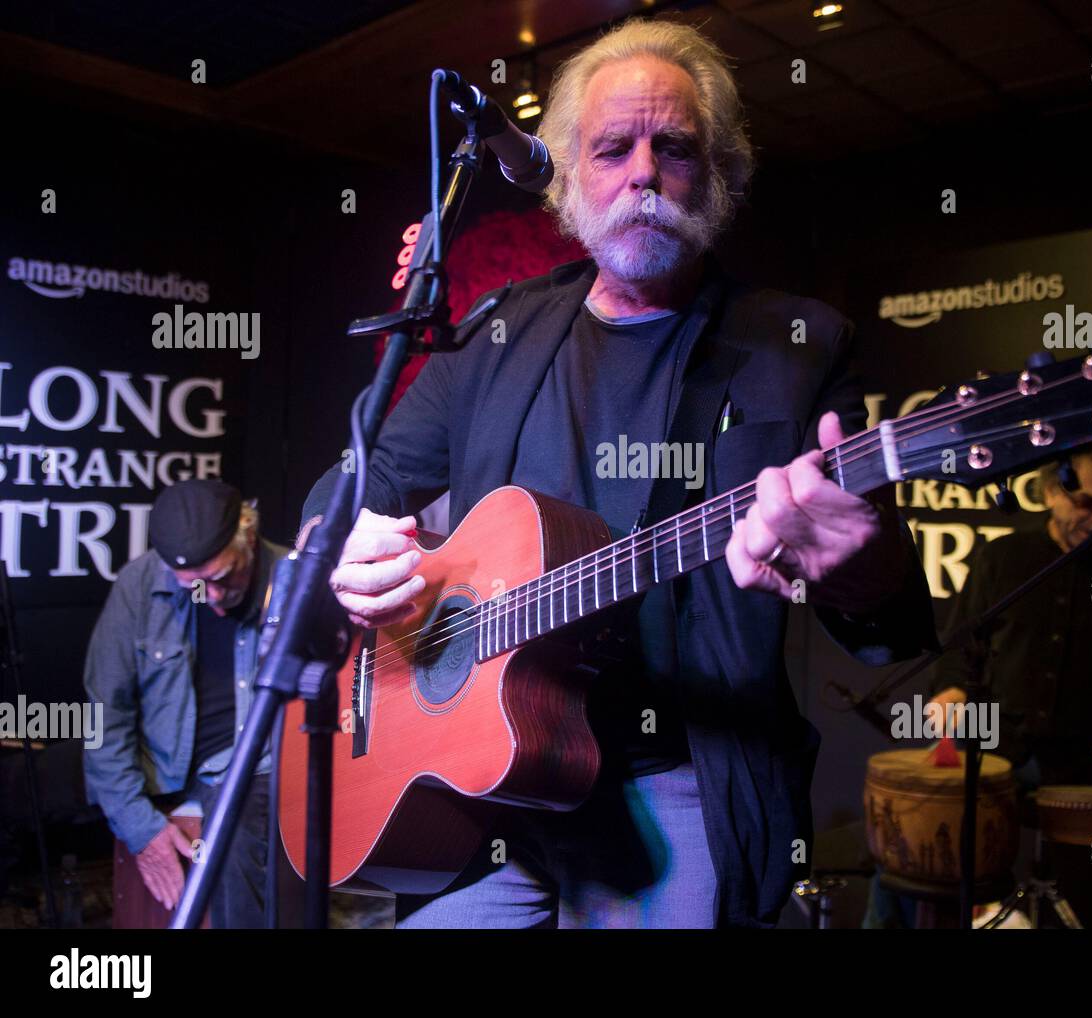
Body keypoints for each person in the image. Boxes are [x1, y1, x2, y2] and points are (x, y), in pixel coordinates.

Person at [299, 19, 937, 929]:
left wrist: (859, 563)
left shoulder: (798, 346)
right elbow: (363, 478)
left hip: (673, 784)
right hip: (479, 793)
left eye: (673, 148)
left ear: (716, 173)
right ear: (566, 176)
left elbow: (891, 615)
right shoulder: (496, 330)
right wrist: (342, 547)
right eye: (612, 149)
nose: (644, 173)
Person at [864, 445, 1092, 929]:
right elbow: (958, 644)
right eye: (1087, 503)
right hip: (997, 746)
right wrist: (952, 690)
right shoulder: (1005, 557)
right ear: (1052, 492)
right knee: (911, 822)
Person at [83, 479, 287, 927]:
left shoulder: (293, 579)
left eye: (222, 577)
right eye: (192, 585)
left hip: (251, 765)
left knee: (233, 836)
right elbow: (102, 716)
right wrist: (140, 828)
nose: (211, 597)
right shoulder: (138, 585)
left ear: (248, 533)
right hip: (165, 767)